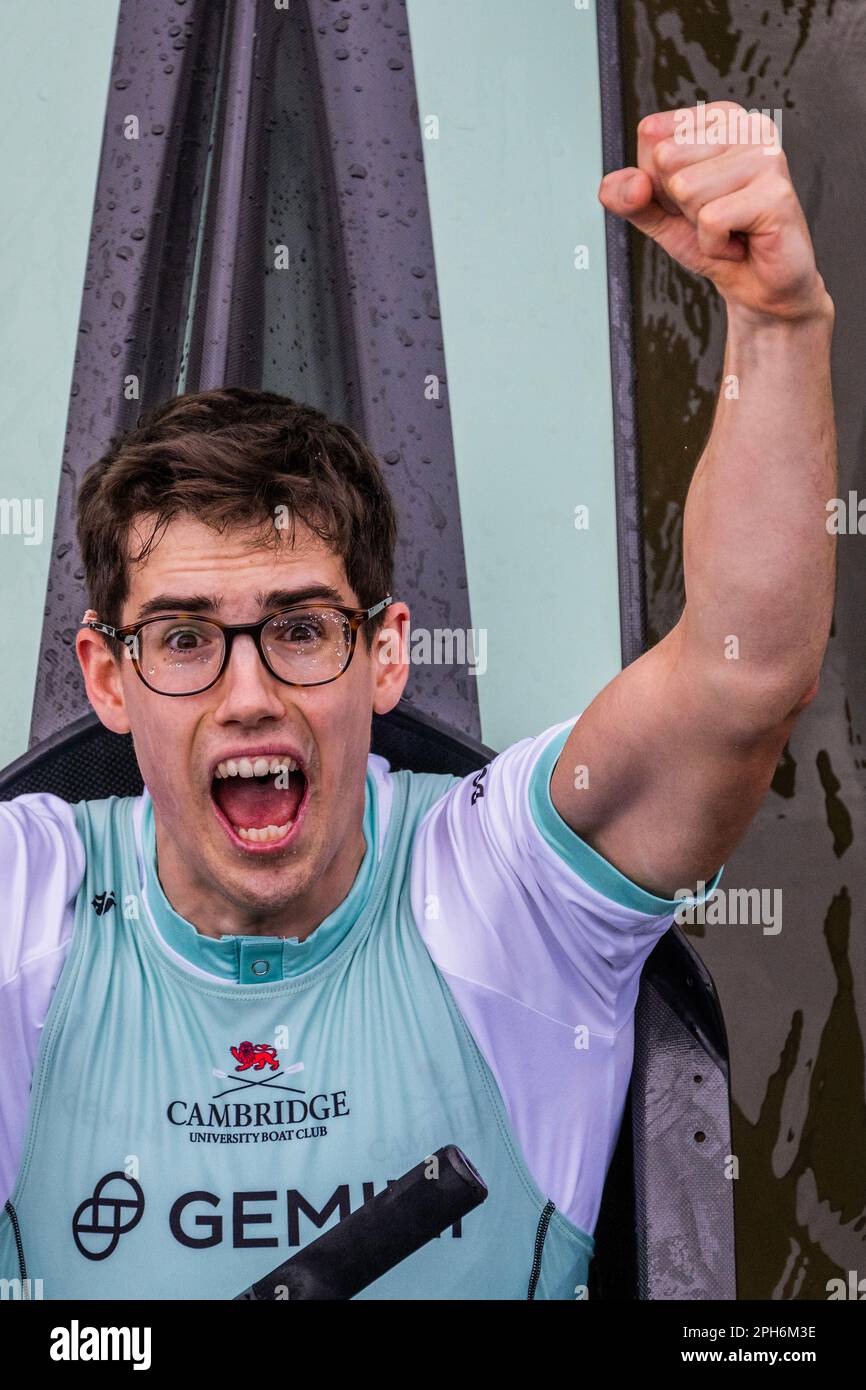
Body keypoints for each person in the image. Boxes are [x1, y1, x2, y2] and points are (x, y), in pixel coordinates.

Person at [0, 103, 836, 1299]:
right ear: (106, 678)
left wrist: (775, 320)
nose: (248, 695)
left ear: (384, 657)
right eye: (184, 638)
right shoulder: (24, 910)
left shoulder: (502, 894)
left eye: (298, 629)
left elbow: (745, 674)